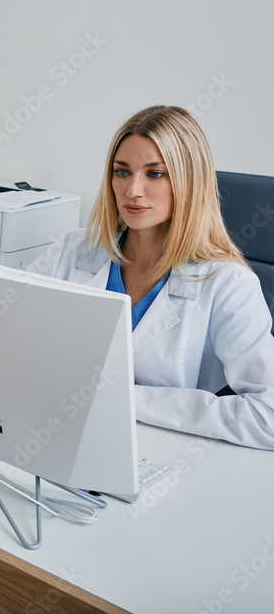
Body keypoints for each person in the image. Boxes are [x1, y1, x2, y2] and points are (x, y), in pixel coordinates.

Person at [27, 105, 274, 449]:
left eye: (154, 174)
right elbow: (8, 337)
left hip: (163, 452)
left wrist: (126, 399)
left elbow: (268, 417)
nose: (132, 190)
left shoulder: (229, 284)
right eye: (122, 172)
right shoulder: (71, 250)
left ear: (189, 182)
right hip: (54, 432)